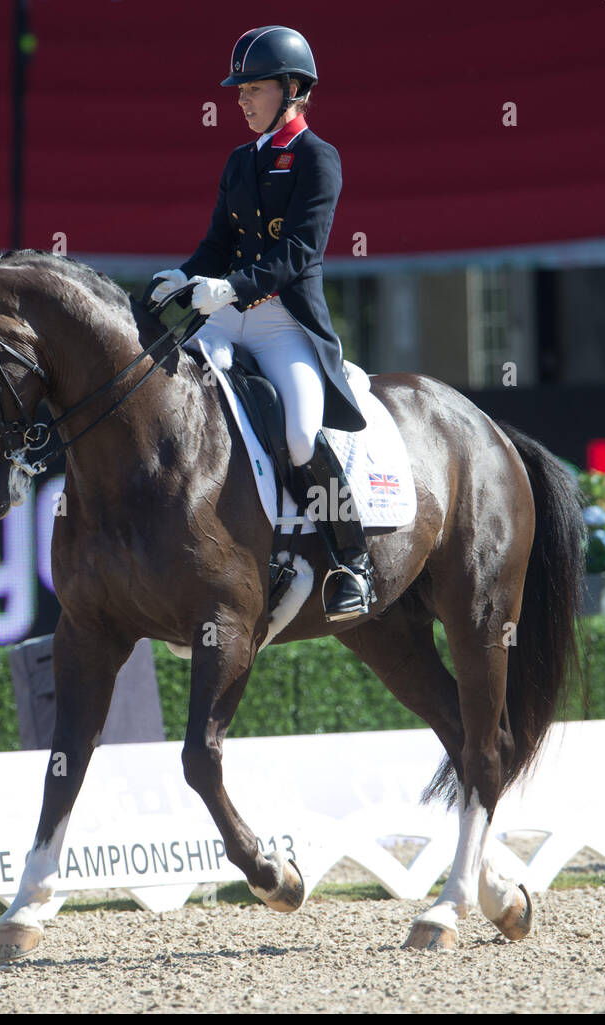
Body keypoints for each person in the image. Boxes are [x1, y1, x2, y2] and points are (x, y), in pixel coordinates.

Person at [151, 26, 374, 621]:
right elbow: (216, 244)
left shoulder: (317, 158)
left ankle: (353, 561)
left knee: (300, 435)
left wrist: (229, 286)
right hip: (224, 318)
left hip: (282, 325)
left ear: (293, 89)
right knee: (165, 388)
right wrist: (182, 276)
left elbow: (298, 254)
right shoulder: (237, 162)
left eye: (253, 89)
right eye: (239, 90)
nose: (241, 100)